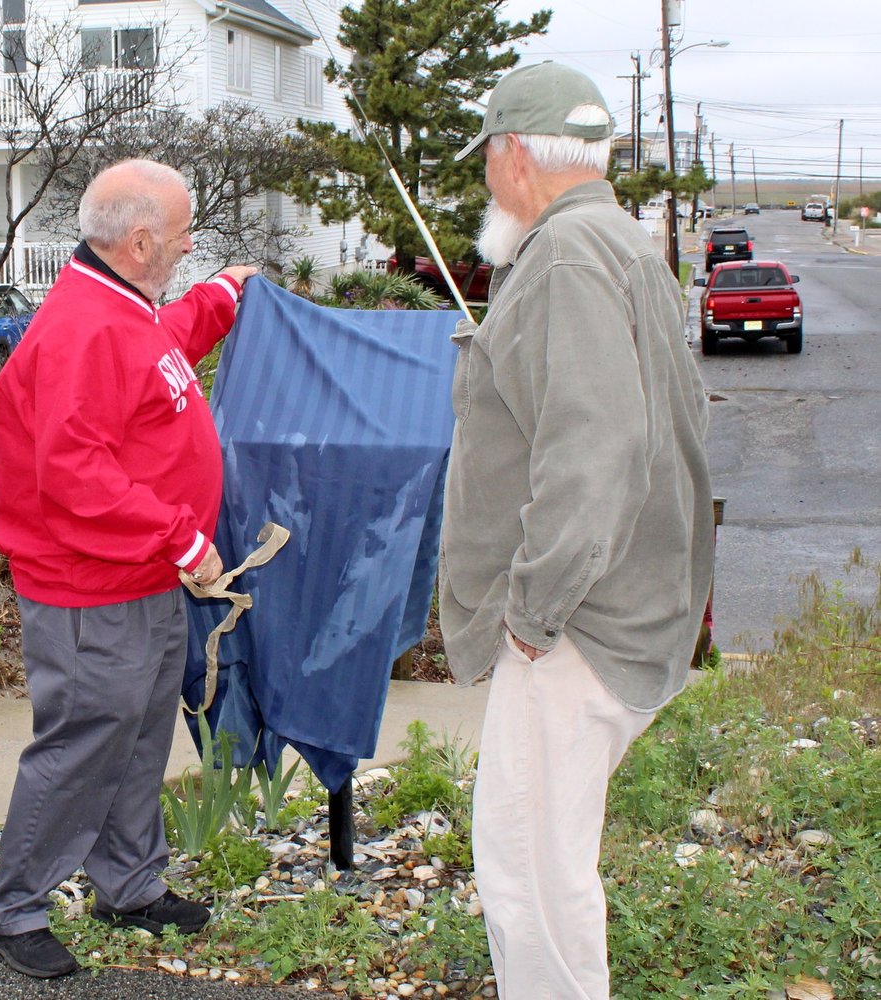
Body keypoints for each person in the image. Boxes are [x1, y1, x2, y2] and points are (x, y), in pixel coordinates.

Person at [440, 62, 714, 1000]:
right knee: (542, 864)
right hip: (620, 609)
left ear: (513, 155)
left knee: (532, 879)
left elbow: (595, 451)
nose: (484, 174)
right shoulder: (621, 242)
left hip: (576, 627)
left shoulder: (564, 257)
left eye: (485, 154)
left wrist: (533, 612)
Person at [0, 159, 258, 979]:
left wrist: (221, 296)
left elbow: (163, 348)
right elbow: (74, 469)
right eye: (182, 237)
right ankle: (14, 909)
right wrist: (181, 535)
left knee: (138, 738)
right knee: (83, 746)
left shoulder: (122, 308)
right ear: (141, 241)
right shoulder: (83, 328)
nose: (189, 247)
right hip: (89, 588)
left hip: (138, 580)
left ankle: (129, 885)